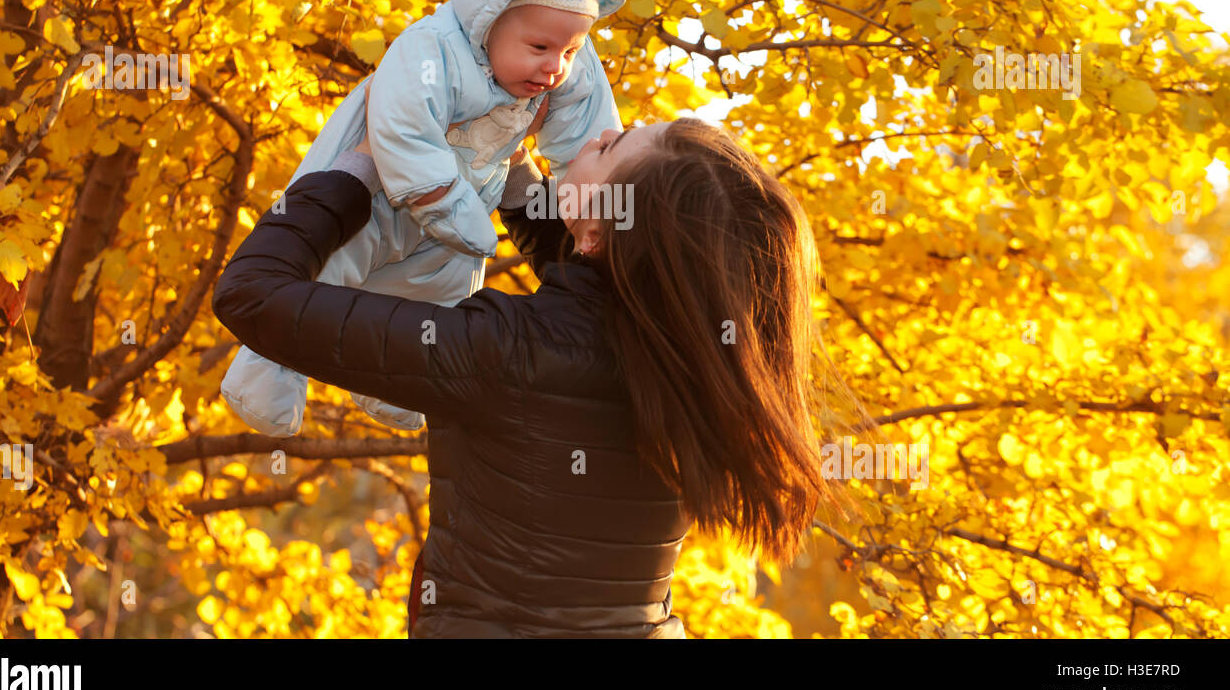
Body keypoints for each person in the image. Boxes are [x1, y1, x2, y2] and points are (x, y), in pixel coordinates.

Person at [212, 110, 880, 638]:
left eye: (612, 145)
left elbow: (251, 295)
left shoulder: (503, 352)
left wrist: (348, 178)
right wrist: (509, 164)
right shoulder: (691, 353)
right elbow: (594, 283)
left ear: (602, 231)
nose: (596, 135)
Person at [220, 0, 630, 435]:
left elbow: (591, 135)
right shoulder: (433, 49)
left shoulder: (563, 57)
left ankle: (397, 387)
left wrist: (596, 207)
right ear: (491, 17)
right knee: (325, 275)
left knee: (442, 290)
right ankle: (263, 382)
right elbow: (401, 124)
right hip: (376, 194)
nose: (556, 66)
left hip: (468, 203)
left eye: (572, 51)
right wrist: (444, 203)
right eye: (539, 48)